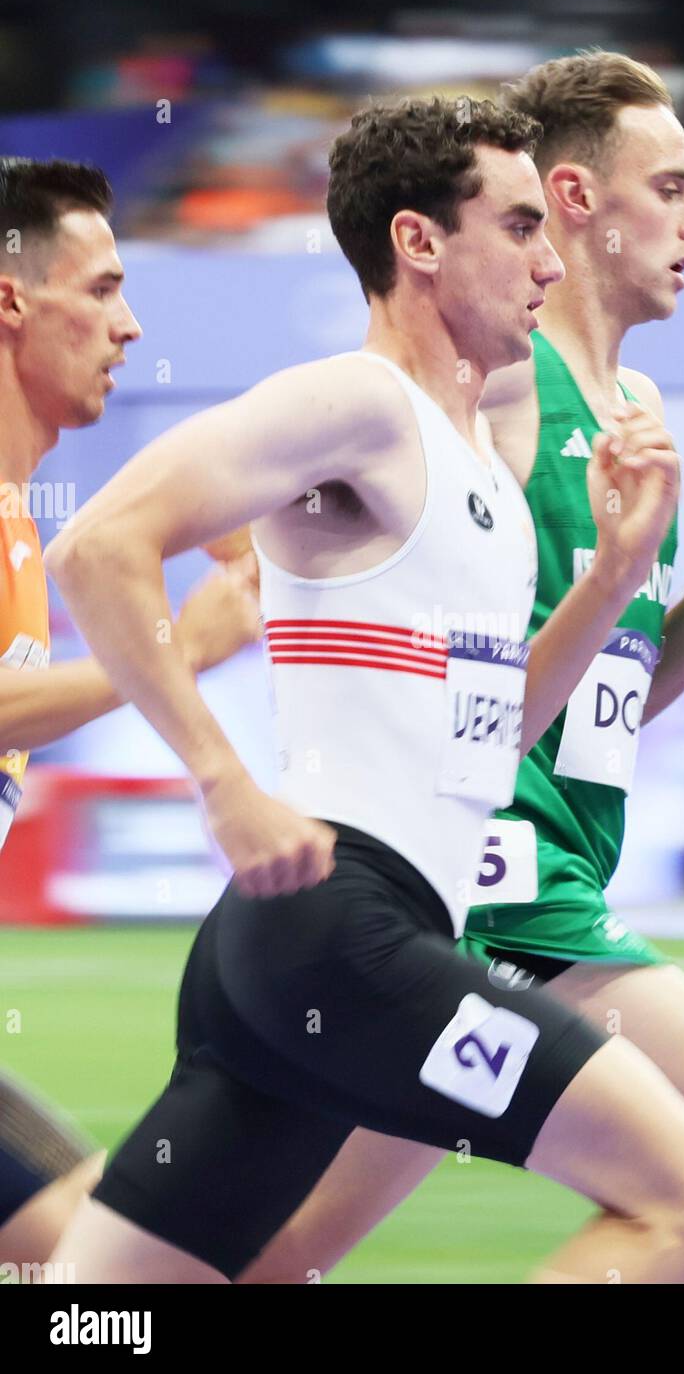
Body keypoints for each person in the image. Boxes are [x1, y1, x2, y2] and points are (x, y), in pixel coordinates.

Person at [44, 97, 684, 1286]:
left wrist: (620, 574)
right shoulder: (359, 402)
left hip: (315, 952)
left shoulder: (470, 454)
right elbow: (98, 547)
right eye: (520, 226)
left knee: (102, 1309)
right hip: (341, 929)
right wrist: (224, 781)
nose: (548, 261)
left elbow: (492, 747)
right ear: (419, 242)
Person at [237, 55, 684, 1287]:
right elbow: (318, 499)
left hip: (472, 910)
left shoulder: (628, 405)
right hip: (507, 905)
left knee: (265, 1259)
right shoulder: (490, 389)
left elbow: (603, 705)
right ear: (577, 197)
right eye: (674, 188)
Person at [0, 157, 261, 1272]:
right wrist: (185, 642)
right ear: (12, 299)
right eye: (102, 290)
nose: (131, 325)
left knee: (99, 1269)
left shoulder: (18, 520)